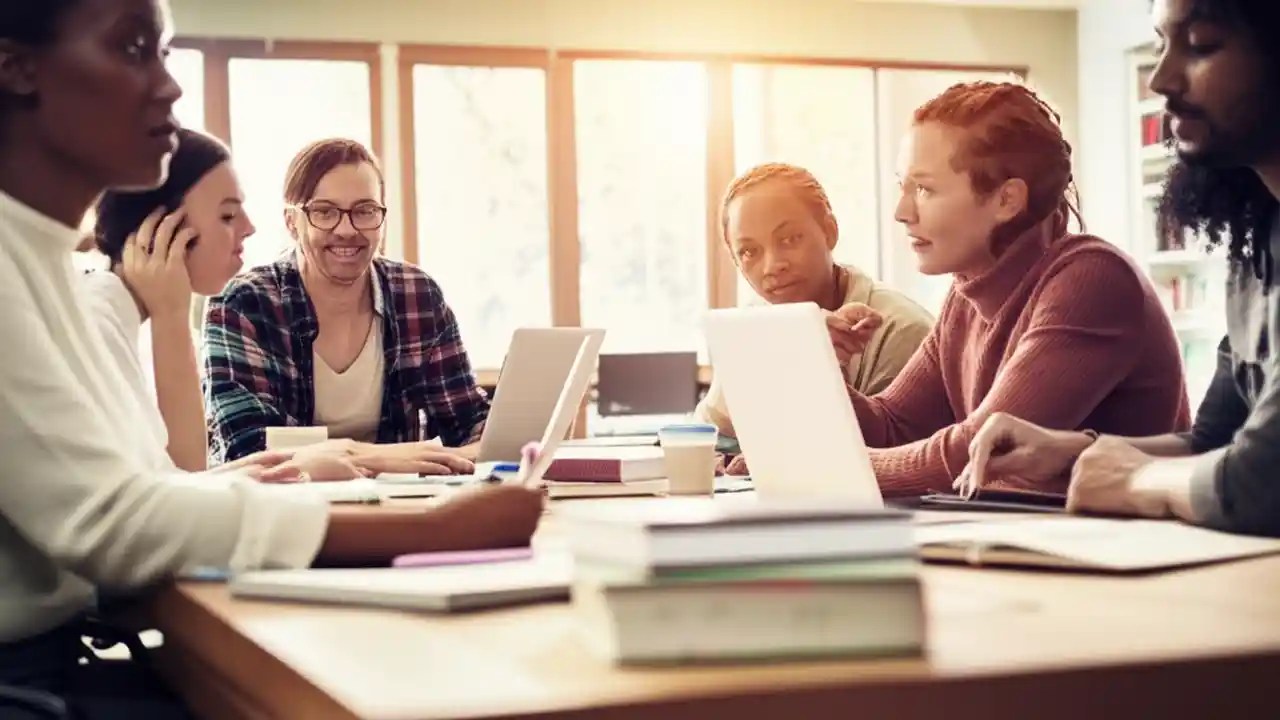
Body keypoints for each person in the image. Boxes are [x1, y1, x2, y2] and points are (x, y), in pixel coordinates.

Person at [0, 1, 542, 714]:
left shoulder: (47, 270)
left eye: (164, 52)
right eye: (134, 48)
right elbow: (112, 523)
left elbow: (152, 486)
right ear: (17, 66)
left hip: (65, 655)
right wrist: (433, 529)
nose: (169, 86)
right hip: (29, 680)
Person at [961, 0, 1280, 538]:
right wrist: (1071, 453)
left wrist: (1137, 481)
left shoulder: (1090, 275)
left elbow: (1262, 482)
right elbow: (1214, 442)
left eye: (1201, 45)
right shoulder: (1255, 246)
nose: (1161, 79)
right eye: (1161, 45)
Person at [813, 80, 1192, 497]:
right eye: (903, 186)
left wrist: (820, 469)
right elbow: (892, 427)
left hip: (1110, 550)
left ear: (1006, 200)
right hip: (1022, 540)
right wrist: (811, 366)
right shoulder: (966, 295)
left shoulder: (1093, 280)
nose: (902, 212)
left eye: (924, 188)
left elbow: (973, 455)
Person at [90, 128, 471, 480]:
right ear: (161, 227)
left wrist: (171, 313)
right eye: (226, 214)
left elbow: (186, 481)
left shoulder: (146, 320)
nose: (250, 227)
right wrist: (366, 456)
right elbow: (197, 477)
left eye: (365, 210)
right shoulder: (100, 319)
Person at [203, 138, 490, 470]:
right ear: (292, 222)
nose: (346, 229)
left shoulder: (417, 294)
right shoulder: (244, 304)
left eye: (364, 211)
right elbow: (249, 447)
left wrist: (505, 436)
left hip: (402, 508)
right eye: (324, 212)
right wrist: (382, 457)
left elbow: (468, 422)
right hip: (283, 510)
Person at [698, 162, 933, 446]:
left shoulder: (901, 330)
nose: (773, 266)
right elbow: (711, 437)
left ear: (830, 231)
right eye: (749, 252)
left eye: (790, 239)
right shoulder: (756, 326)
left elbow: (882, 454)